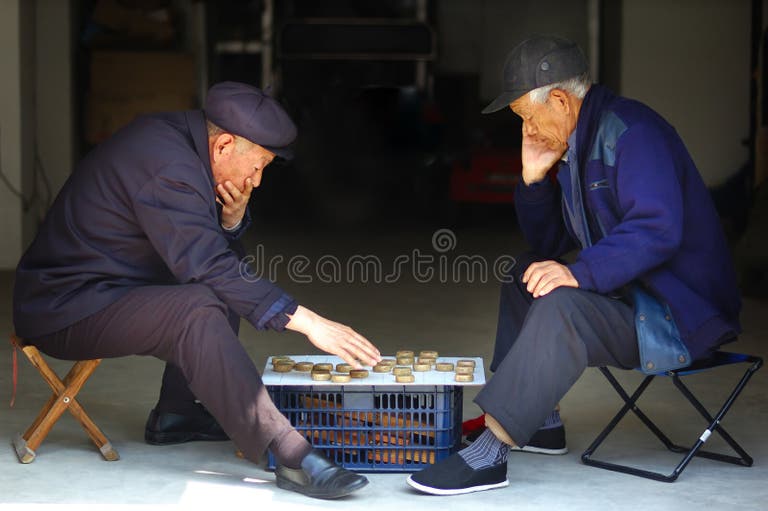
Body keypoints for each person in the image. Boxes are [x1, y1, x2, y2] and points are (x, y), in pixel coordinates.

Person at [13, 81, 382, 499]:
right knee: (197, 306)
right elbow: (206, 264)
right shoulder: (166, 164)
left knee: (223, 275)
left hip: (111, 286)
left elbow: (206, 254)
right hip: (63, 305)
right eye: (257, 165)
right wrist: (309, 322)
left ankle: (177, 415)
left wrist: (230, 220)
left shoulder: (181, 142)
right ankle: (292, 455)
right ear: (224, 145)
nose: (256, 181)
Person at [406, 35, 741, 495]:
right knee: (529, 274)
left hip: (676, 315)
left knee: (563, 305)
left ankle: (491, 452)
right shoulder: (577, 144)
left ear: (560, 100)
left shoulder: (632, 134)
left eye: (526, 115)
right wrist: (533, 181)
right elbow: (548, 243)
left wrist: (579, 273)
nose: (525, 129)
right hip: (631, 297)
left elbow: (657, 229)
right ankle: (537, 421)